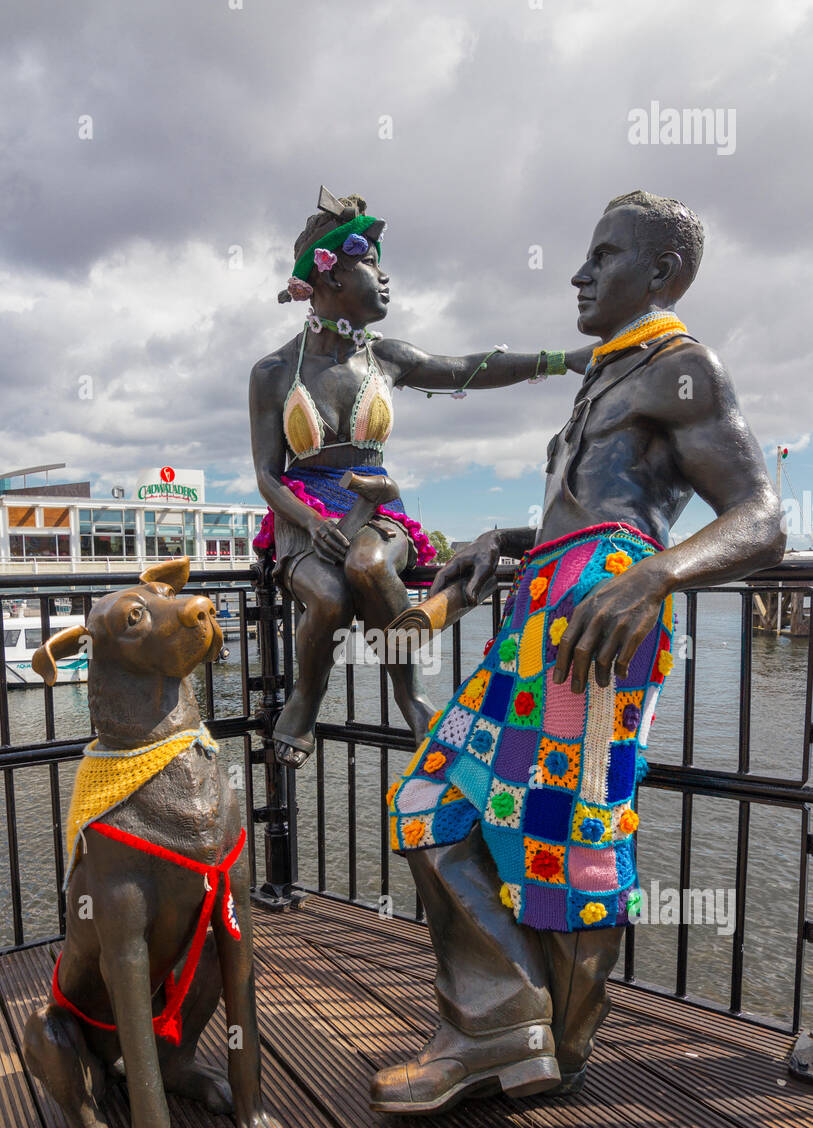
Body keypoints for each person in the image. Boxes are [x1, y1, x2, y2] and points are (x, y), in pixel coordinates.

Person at [374, 190, 785, 1115]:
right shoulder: (604, 375)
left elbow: (761, 519)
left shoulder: (683, 367)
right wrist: (504, 540)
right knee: (432, 798)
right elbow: (591, 508)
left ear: (662, 275)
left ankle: (541, 1042)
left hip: (603, 616)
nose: (578, 273)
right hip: (548, 608)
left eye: (604, 256)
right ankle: (506, 1025)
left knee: (562, 838)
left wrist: (655, 580)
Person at [250, 187, 588, 768]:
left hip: (379, 508)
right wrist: (307, 521)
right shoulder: (274, 371)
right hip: (301, 517)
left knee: (367, 565)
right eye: (372, 265)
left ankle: (410, 697)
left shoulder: (386, 357)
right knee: (328, 599)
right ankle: (307, 696)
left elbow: (467, 369)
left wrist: (563, 360)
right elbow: (266, 474)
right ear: (328, 277)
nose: (385, 279)